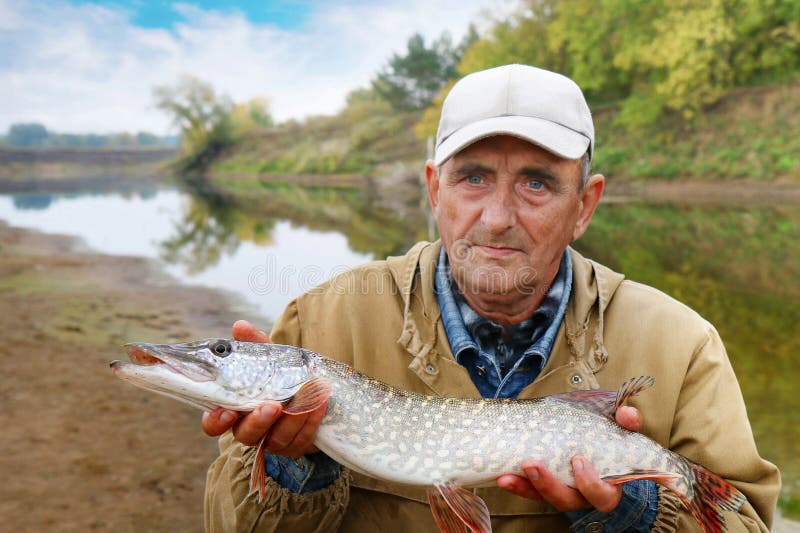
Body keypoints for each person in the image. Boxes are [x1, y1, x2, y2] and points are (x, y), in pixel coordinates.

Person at [202, 64, 780, 532]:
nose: (498, 218)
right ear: (435, 189)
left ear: (584, 204)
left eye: (537, 182)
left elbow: (745, 523)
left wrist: (637, 515)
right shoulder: (322, 321)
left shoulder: (681, 346)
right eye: (473, 177)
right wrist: (289, 467)